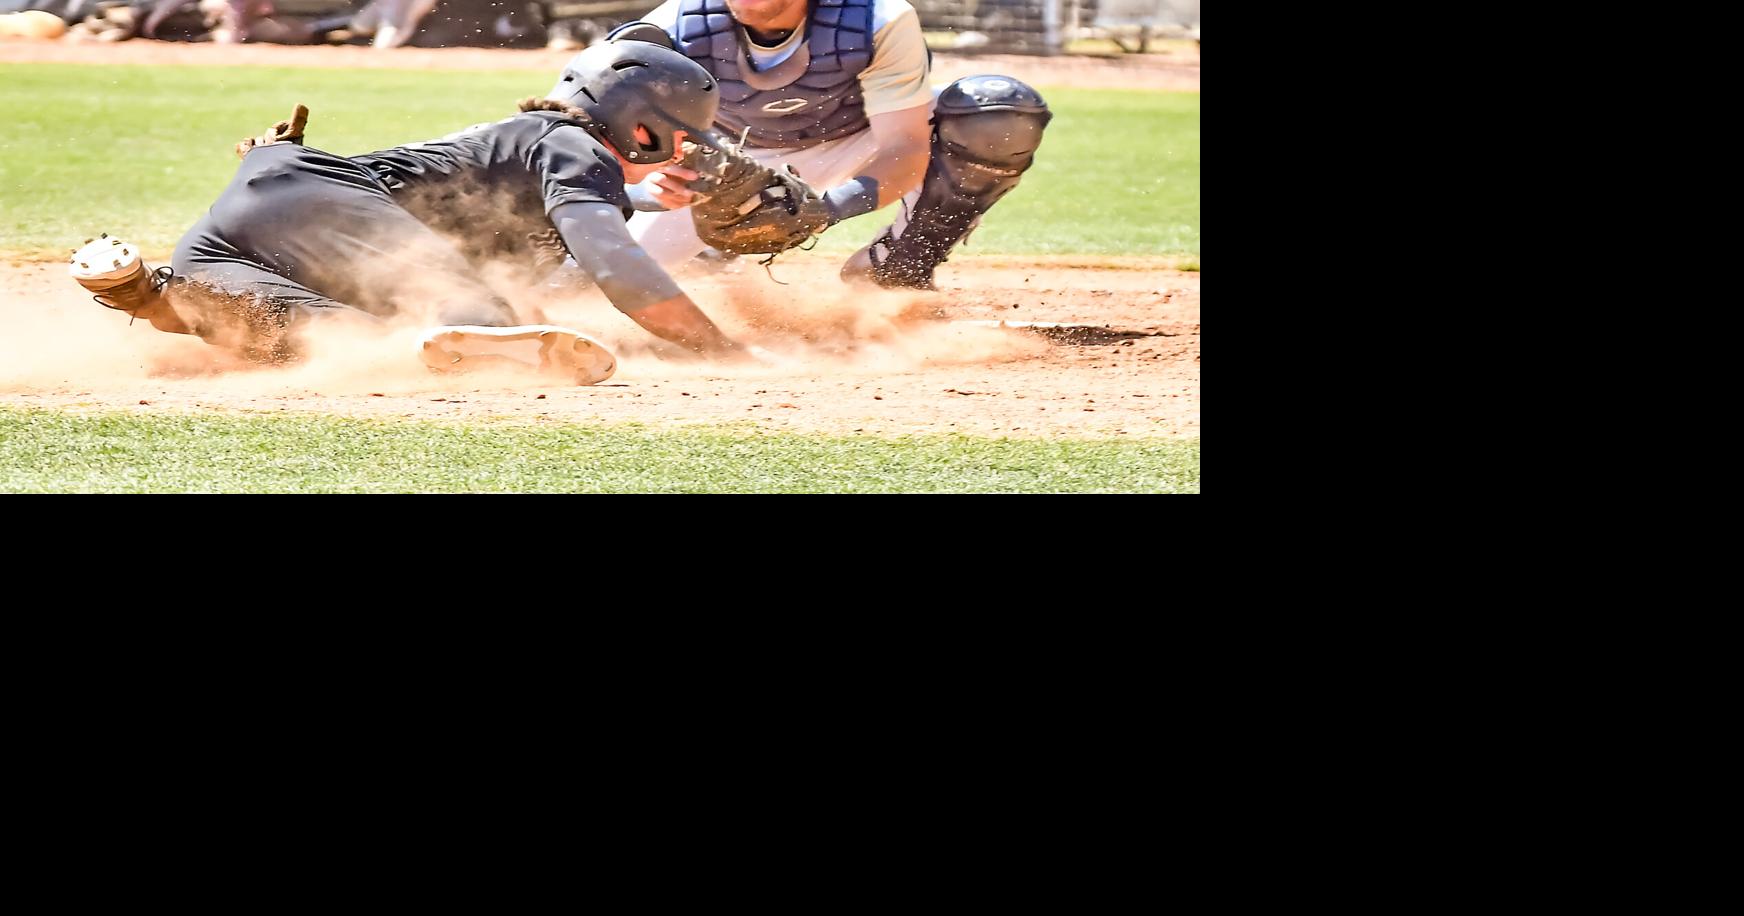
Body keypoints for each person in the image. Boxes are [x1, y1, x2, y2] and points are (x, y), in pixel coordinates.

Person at [70, 35, 754, 384]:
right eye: (681, 137)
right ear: (643, 127)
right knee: (478, 317)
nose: (681, 153)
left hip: (234, 238)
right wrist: (722, 350)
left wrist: (646, 200)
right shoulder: (574, 146)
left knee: (337, 343)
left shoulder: (545, 150)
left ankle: (151, 294)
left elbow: (561, 230)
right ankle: (477, 332)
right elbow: (618, 268)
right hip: (322, 202)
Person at [619, 0, 1053, 290]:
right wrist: (645, 188)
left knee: (997, 114)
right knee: (595, 290)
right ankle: (714, 250)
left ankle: (897, 268)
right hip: (724, 163)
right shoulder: (668, 28)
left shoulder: (878, 18)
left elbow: (904, 148)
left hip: (856, 138)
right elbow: (599, 148)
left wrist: (825, 209)